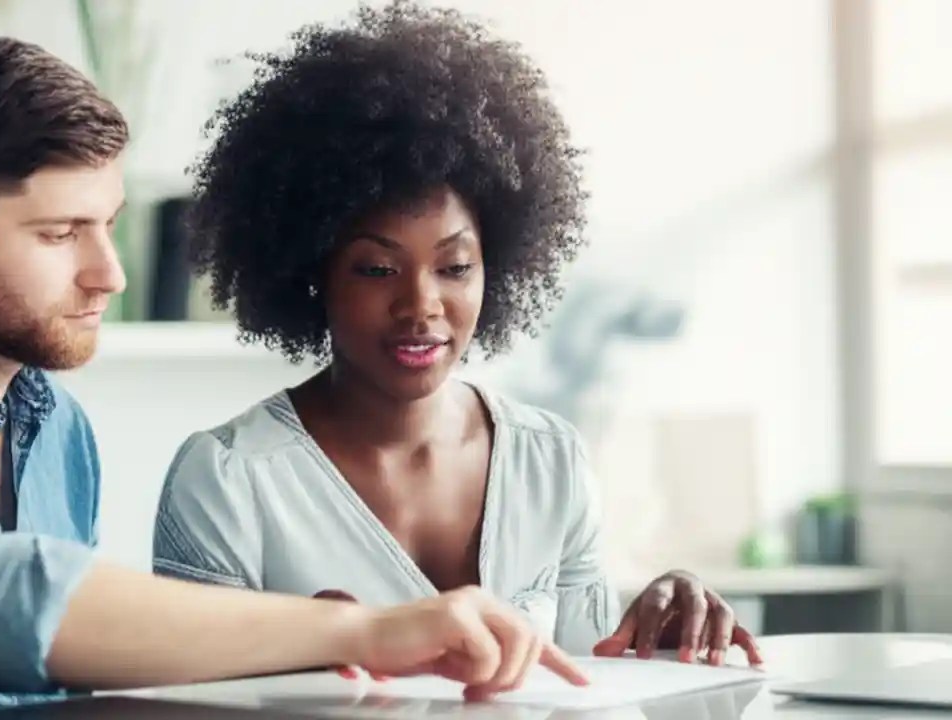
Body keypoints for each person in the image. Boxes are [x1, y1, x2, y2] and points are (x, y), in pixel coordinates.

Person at [0, 36, 587, 720]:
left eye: (108, 225)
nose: (108, 273)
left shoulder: (54, 430)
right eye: (61, 233)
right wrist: (362, 632)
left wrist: (292, 670)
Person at [153, 1, 763, 670]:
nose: (421, 304)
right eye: (378, 268)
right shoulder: (229, 479)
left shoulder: (549, 458)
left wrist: (660, 622)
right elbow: (182, 697)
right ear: (311, 271)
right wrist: (306, 656)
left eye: (454, 267)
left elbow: (590, 672)